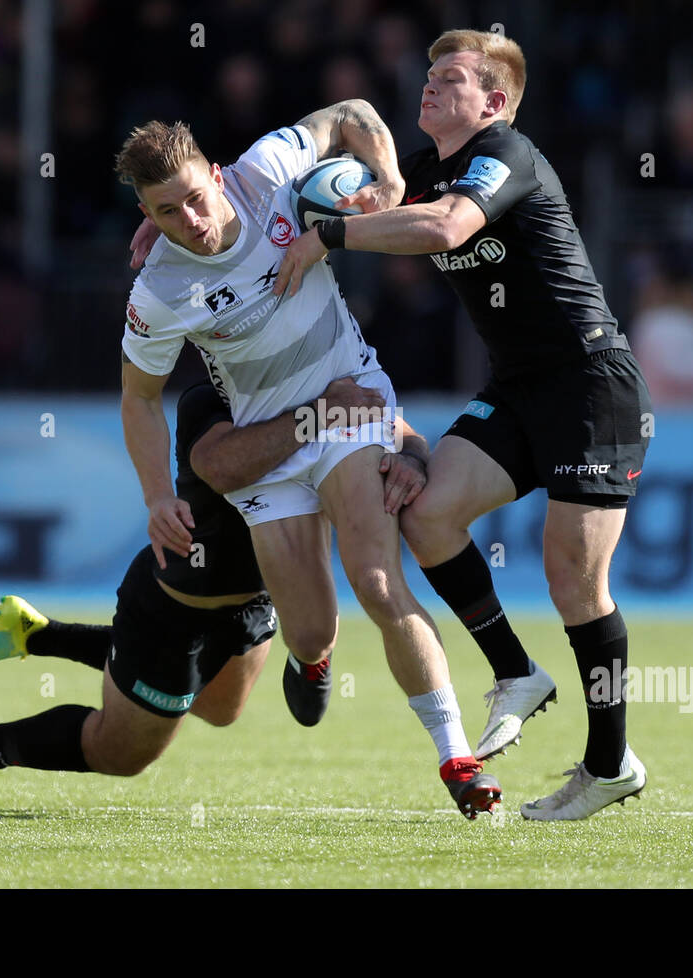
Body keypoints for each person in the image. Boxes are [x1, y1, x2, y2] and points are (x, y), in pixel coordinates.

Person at [273, 30, 651, 821]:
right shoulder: (436, 174)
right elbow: (352, 147)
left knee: (575, 583)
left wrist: (329, 236)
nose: (431, 88)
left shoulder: (505, 153)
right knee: (426, 510)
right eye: (429, 76)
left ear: (495, 102)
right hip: (518, 389)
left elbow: (443, 230)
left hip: (590, 384)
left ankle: (611, 763)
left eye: (452, 79)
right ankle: (516, 671)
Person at [112, 106, 499, 818]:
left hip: (348, 401)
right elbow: (139, 399)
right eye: (166, 211)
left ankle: (457, 760)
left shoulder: (265, 176)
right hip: (271, 445)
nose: (191, 218)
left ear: (218, 175)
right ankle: (310, 658)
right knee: (311, 625)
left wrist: (386, 179)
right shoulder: (160, 290)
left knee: (380, 586)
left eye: (196, 196)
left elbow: (352, 115)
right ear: (144, 213)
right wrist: (155, 495)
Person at [0, 376, 428, 805]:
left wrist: (413, 457)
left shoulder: (320, 379)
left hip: (257, 603)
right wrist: (320, 415)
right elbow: (226, 465)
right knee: (119, 755)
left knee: (219, 710)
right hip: (173, 613)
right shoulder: (209, 398)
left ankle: (37, 636)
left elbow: (404, 432)